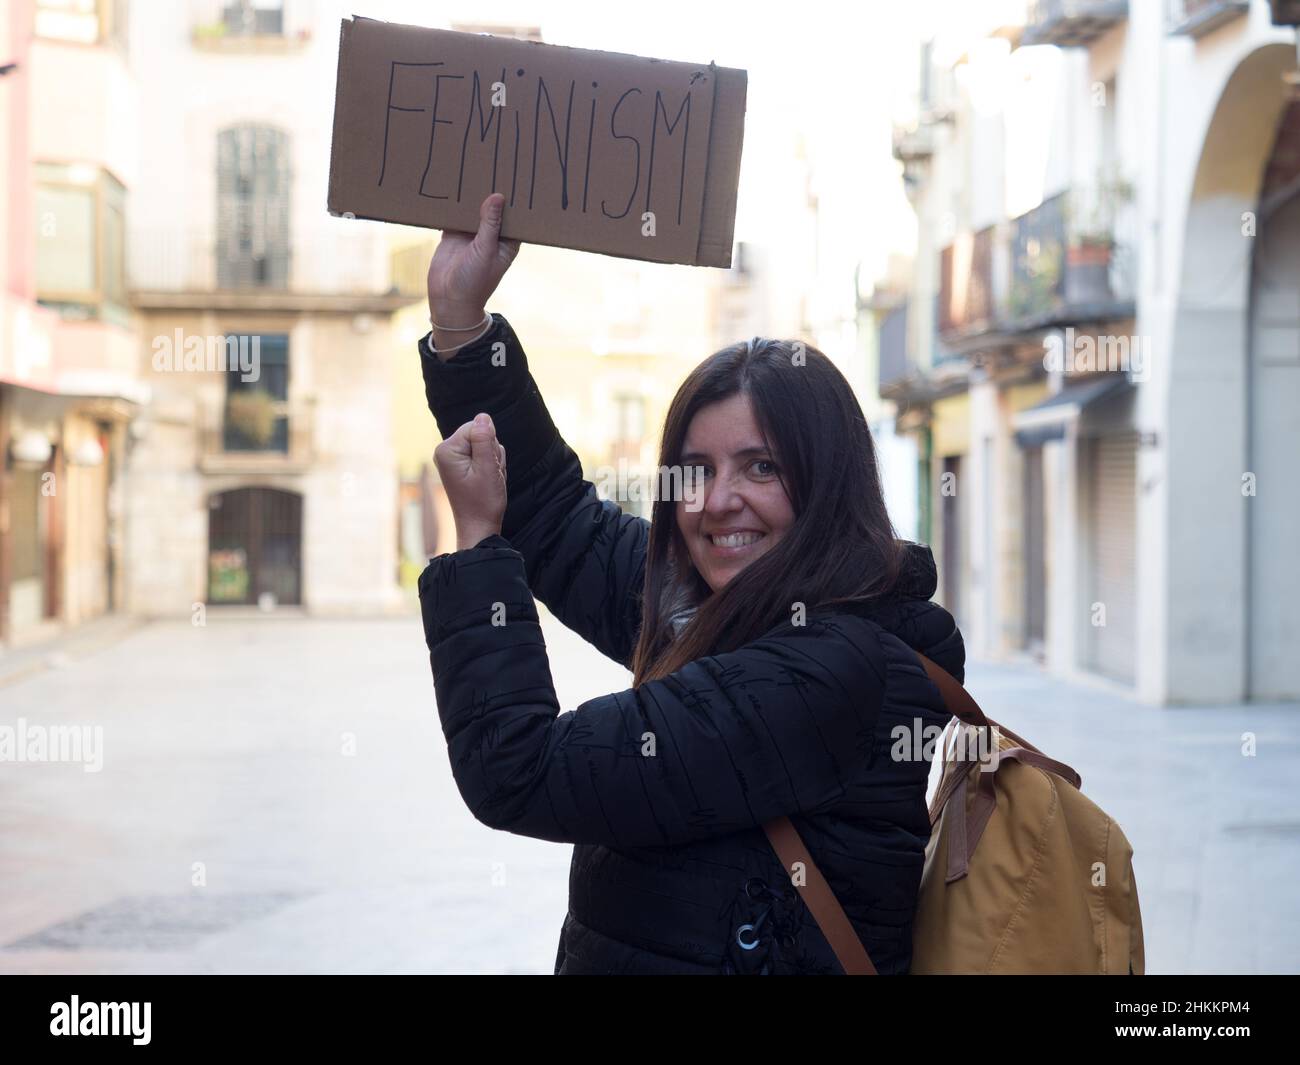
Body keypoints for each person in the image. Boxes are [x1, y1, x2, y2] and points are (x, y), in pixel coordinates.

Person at [417, 192, 963, 975]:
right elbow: (562, 520)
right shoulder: (729, 609)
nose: (714, 502)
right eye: (695, 471)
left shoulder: (827, 672)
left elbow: (519, 768)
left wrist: (475, 548)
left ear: (828, 484)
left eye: (761, 466)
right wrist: (461, 323)